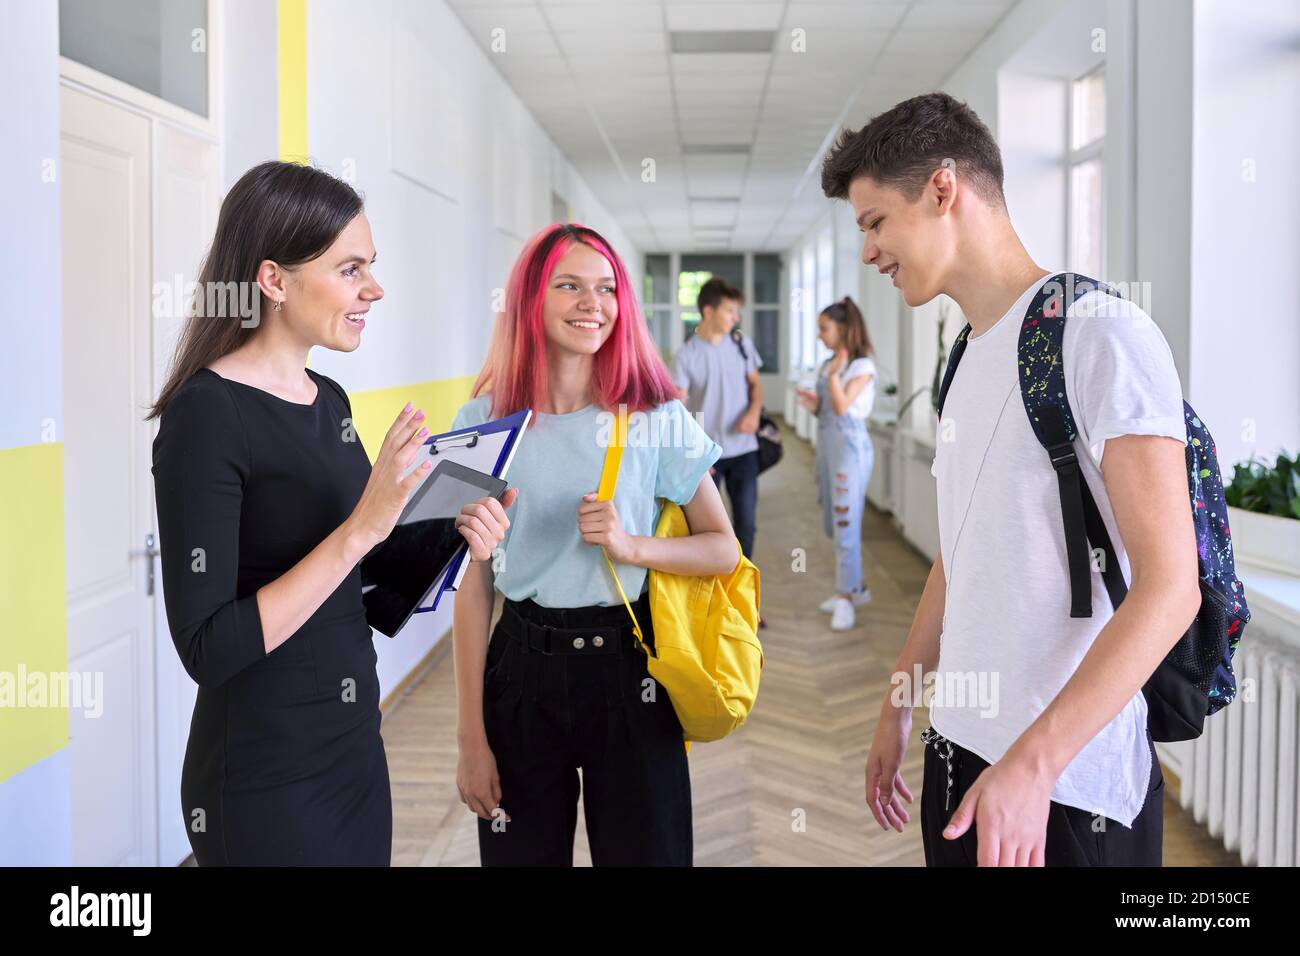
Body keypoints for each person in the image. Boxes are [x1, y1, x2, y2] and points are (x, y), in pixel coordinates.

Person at [822, 93, 1199, 866]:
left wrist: (1033, 764)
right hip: (960, 755)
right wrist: (902, 699)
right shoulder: (967, 351)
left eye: (873, 223)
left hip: (1066, 787)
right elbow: (963, 550)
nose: (868, 253)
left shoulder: (1100, 335)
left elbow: (1171, 585)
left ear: (941, 189)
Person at [149, 161, 512, 865]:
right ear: (273, 280)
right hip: (263, 776)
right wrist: (360, 531)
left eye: (370, 267)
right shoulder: (207, 416)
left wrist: (456, 529)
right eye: (351, 270)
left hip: (351, 748)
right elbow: (208, 648)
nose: (374, 289)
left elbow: (369, 589)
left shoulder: (330, 400)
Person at [451, 223, 740, 866]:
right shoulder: (483, 422)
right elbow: (472, 588)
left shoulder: (654, 416)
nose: (593, 303)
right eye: (570, 286)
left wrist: (633, 546)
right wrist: (471, 737)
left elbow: (722, 548)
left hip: (631, 673)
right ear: (532, 297)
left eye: (607, 288)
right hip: (519, 673)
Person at [794, 297, 877, 631]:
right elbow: (828, 410)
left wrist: (832, 378)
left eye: (824, 329)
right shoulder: (833, 363)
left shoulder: (861, 367)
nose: (819, 336)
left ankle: (846, 596)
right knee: (831, 518)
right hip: (828, 445)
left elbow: (843, 407)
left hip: (849, 448)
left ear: (844, 329)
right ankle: (855, 587)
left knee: (845, 522)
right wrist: (812, 404)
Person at [672, 277, 764, 561]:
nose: (735, 318)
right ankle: (715, 586)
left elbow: (755, 385)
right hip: (707, 455)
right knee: (706, 529)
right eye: (729, 311)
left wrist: (753, 413)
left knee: (746, 525)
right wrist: (693, 454)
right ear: (708, 311)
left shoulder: (741, 343)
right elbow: (676, 409)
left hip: (744, 450)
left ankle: (742, 585)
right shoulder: (686, 355)